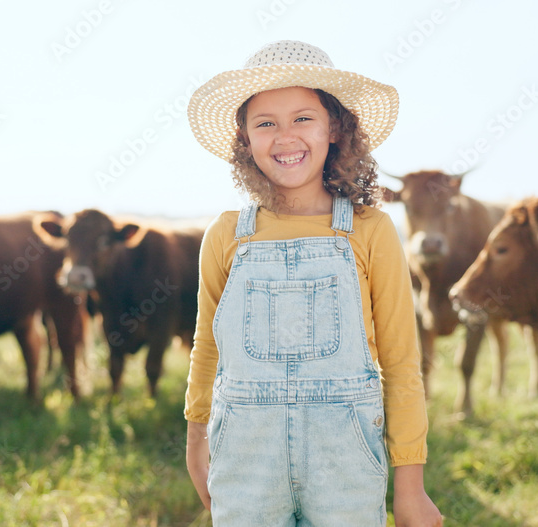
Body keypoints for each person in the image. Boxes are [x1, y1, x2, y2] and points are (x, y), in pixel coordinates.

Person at [183, 40, 443, 526]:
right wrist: (196, 444)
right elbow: (206, 349)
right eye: (265, 123)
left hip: (346, 463)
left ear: (336, 129)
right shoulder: (225, 234)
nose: (285, 137)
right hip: (244, 458)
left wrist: (411, 486)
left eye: (303, 118)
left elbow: (401, 362)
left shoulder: (370, 231)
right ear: (245, 139)